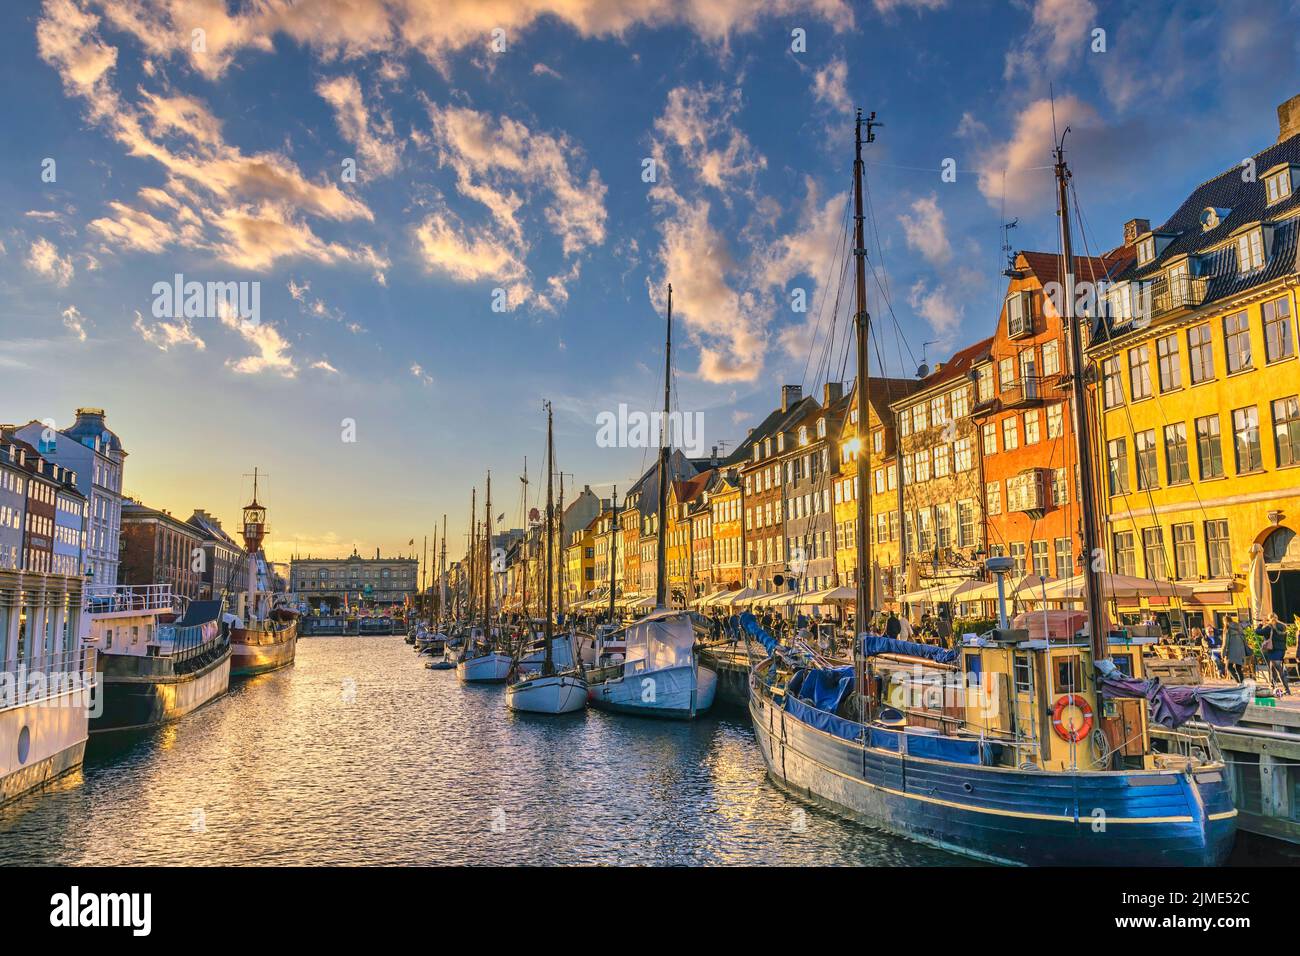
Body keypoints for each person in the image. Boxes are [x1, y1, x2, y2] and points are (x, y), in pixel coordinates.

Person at [1258, 613, 1291, 696]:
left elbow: (1258, 632)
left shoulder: (1270, 627)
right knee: (1273, 667)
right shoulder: (1283, 626)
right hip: (1281, 650)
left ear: (1269, 618)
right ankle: (1273, 686)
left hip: (1273, 650)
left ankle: (1287, 689)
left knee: (1279, 669)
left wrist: (1261, 624)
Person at [1224, 619, 1248, 683]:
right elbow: (1245, 641)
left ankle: (1238, 682)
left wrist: (1223, 654)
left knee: (1229, 667)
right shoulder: (1240, 630)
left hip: (1232, 652)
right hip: (1241, 651)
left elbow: (1226, 643)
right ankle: (1242, 683)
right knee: (1238, 668)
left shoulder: (1228, 631)